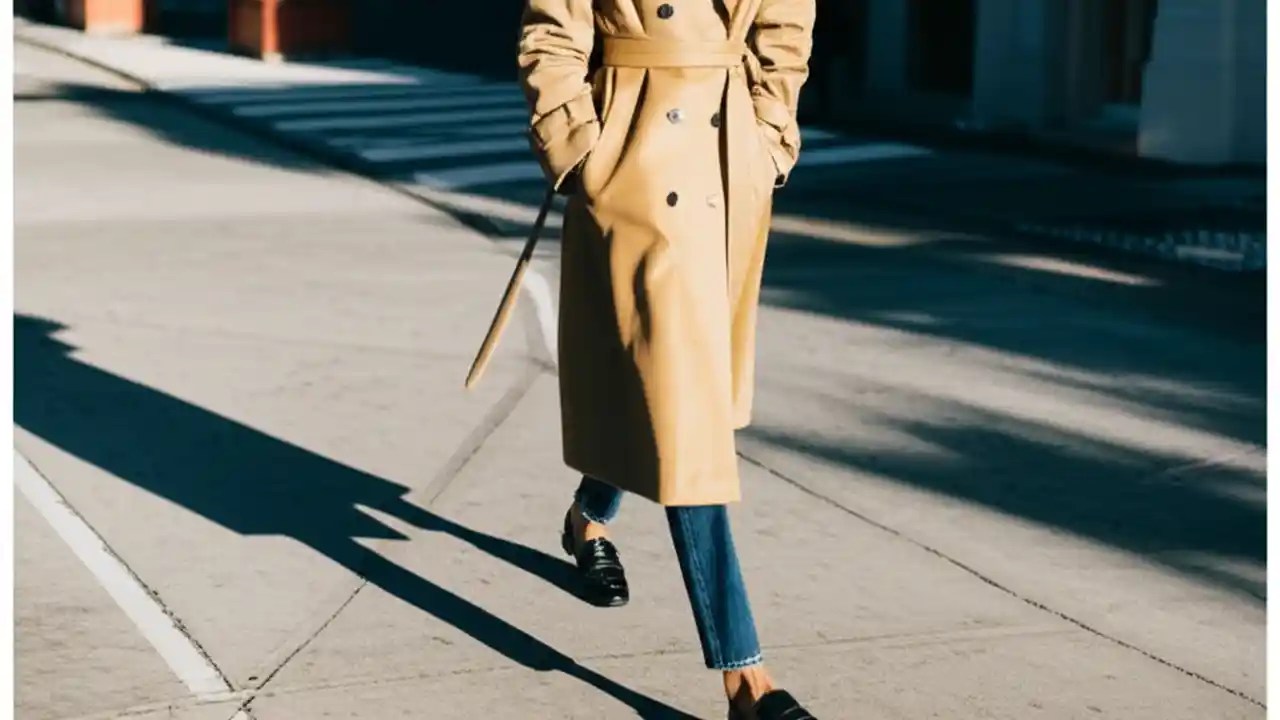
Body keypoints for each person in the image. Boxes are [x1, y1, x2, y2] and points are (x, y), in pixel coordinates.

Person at [517, 0, 816, 715]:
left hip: (728, 165)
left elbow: (786, 28)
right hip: (635, 169)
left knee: (664, 388)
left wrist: (770, 137)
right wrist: (582, 151)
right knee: (683, 413)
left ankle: (589, 513)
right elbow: (552, 31)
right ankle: (747, 679)